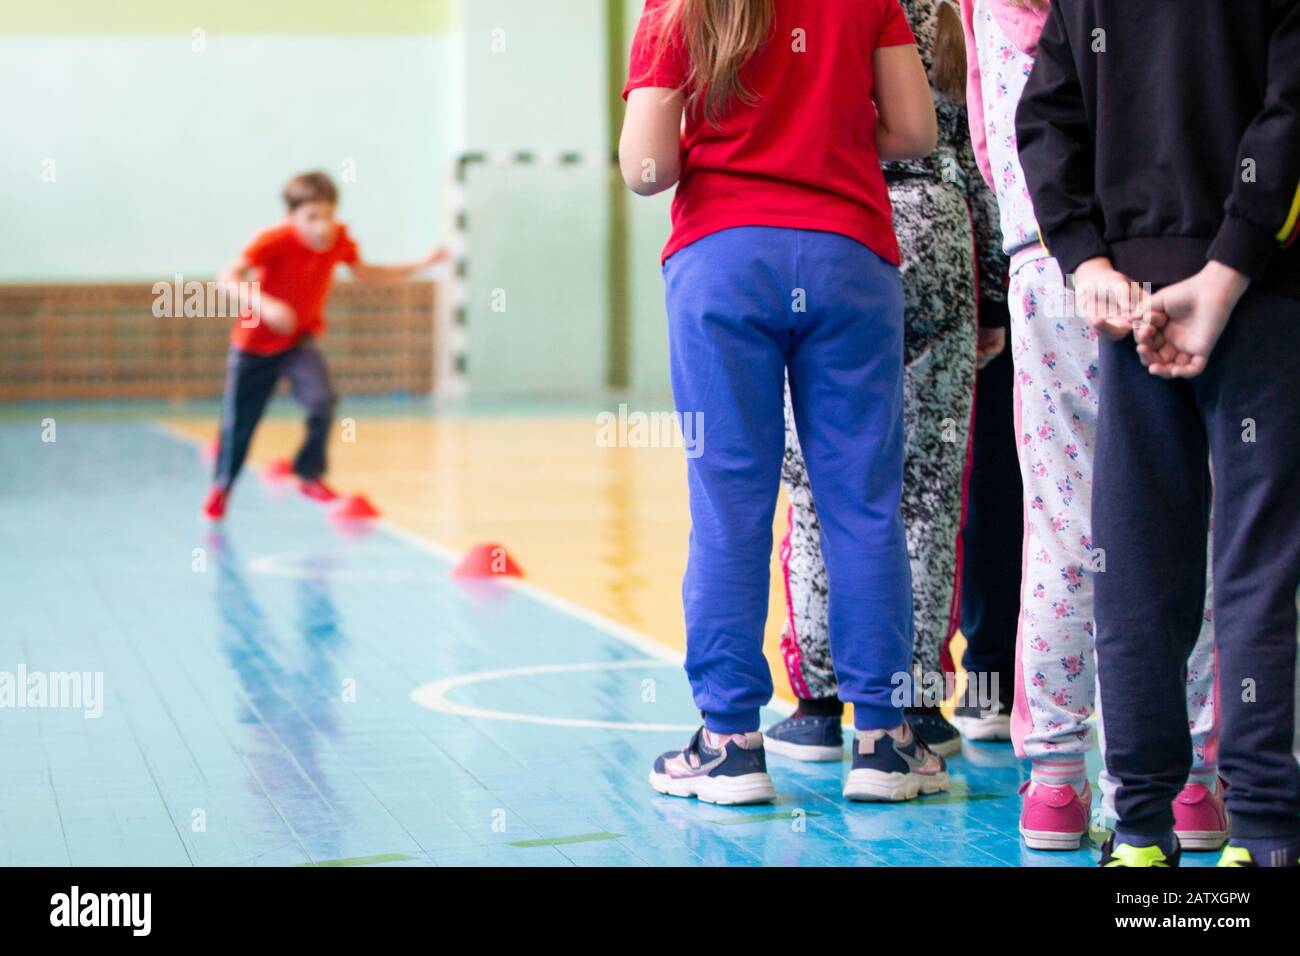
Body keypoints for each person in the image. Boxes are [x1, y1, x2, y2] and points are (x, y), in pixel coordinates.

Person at [620, 0, 946, 805]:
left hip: (723, 262)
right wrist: (823, 145)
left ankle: (731, 745)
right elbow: (914, 133)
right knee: (864, 507)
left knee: (729, 506)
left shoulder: (677, 9)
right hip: (848, 259)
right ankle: (882, 741)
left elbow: (645, 169)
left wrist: (726, 143)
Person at [1017, 0, 1300, 866]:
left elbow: (1045, 115)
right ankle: (1259, 830)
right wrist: (1227, 267)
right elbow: (1289, 111)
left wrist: (1089, 259)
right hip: (1259, 296)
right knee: (1254, 565)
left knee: (1138, 566)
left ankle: (1139, 830)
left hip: (1137, 300)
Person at [965, 0, 1221, 852]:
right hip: (1161, 244)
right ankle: (1191, 784)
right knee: (1193, 514)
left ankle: (1055, 785)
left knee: (1066, 524)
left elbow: (982, 131)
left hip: (1043, 254)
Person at [763, 0, 1014, 764]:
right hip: (938, 231)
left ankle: (816, 701)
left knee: (816, 486)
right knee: (932, 493)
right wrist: (994, 291)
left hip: (835, 222)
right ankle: (912, 703)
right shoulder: (944, 16)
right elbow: (973, 154)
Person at [201, 171, 445, 521]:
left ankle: (308, 473)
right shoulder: (274, 240)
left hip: (297, 342)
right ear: (292, 217)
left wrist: (420, 265)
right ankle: (221, 488)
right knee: (239, 424)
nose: (322, 225)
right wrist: (265, 305)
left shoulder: (338, 240)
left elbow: (366, 273)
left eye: (328, 215)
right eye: (311, 217)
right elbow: (226, 277)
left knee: (322, 400)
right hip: (253, 347)